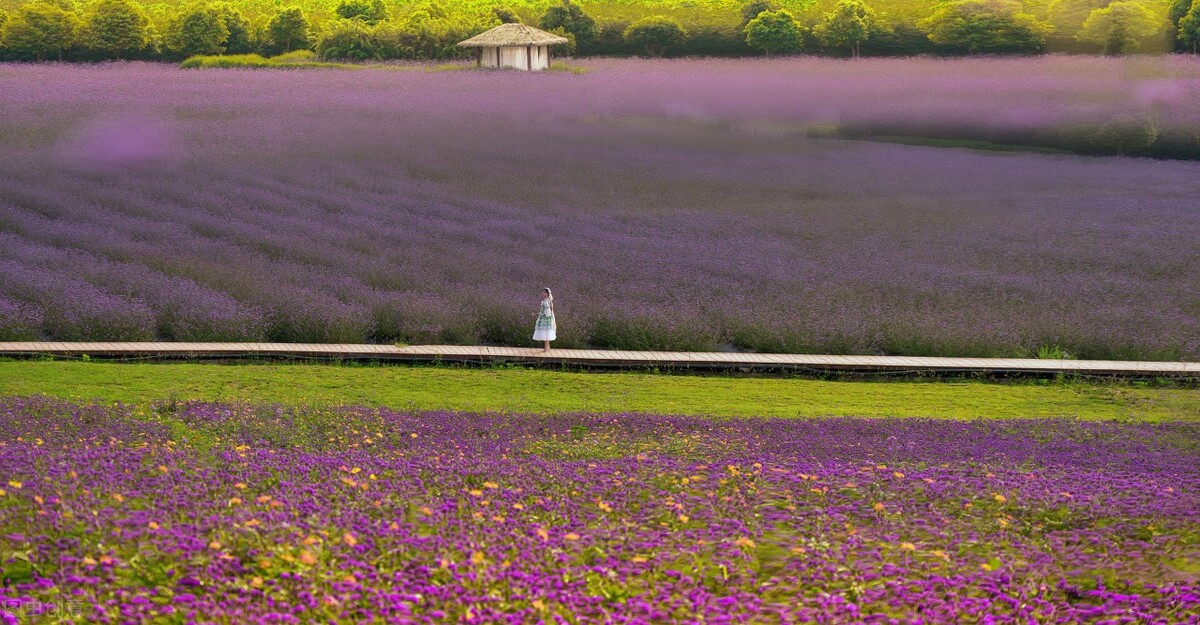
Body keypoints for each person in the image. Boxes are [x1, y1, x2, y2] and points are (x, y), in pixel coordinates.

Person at [532, 287, 556, 352]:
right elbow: (546, 310)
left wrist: (539, 314)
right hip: (546, 319)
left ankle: (546, 348)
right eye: (543, 292)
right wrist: (537, 314)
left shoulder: (546, 301)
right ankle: (547, 347)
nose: (543, 293)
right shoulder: (547, 300)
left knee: (546, 332)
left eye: (544, 292)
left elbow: (547, 311)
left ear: (547, 294)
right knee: (547, 332)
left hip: (545, 320)